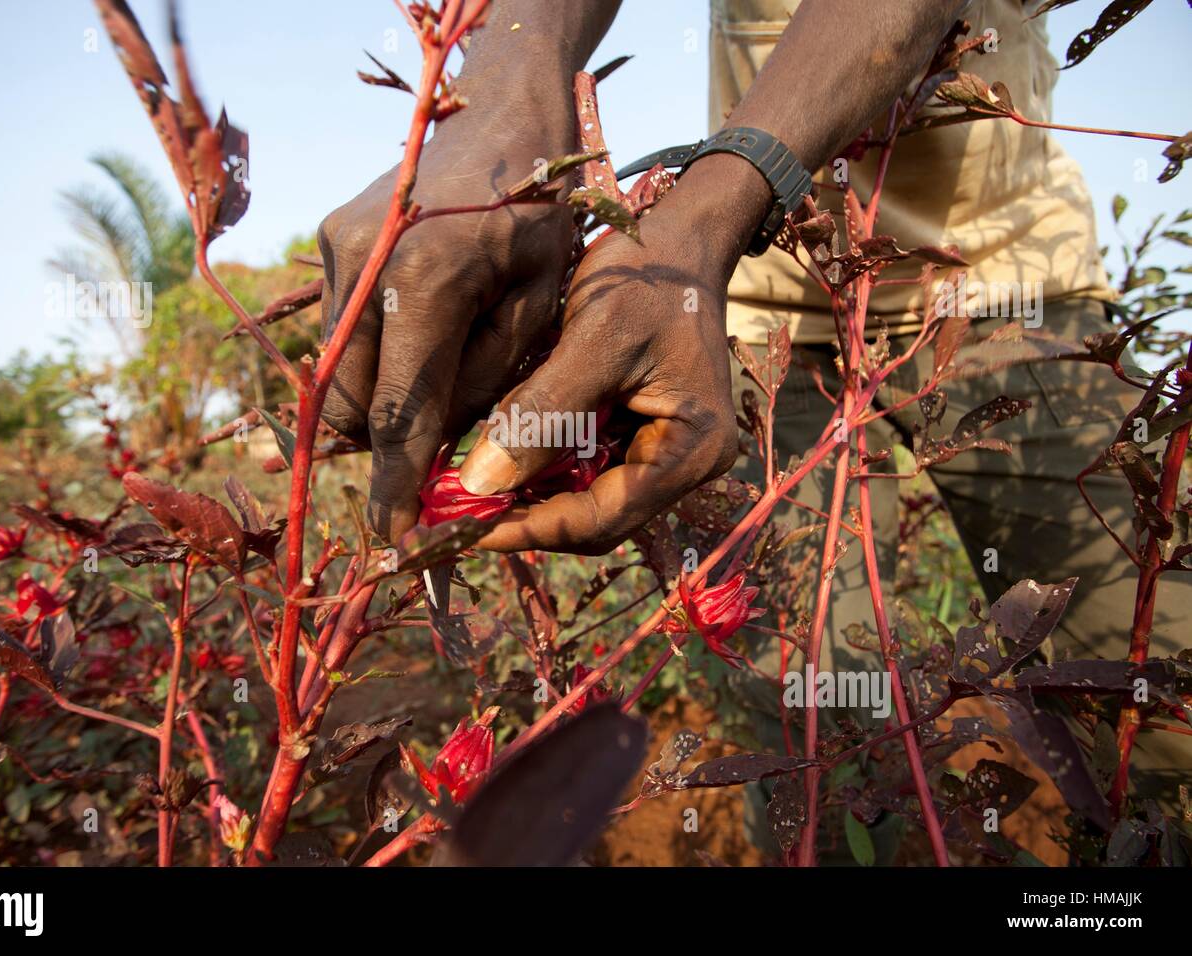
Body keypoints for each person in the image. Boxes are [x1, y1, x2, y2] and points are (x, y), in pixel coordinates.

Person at [316, 0, 1189, 824]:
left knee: (1157, 687)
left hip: (1006, 287)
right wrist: (503, 99)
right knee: (812, 717)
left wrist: (699, 223)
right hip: (762, 317)